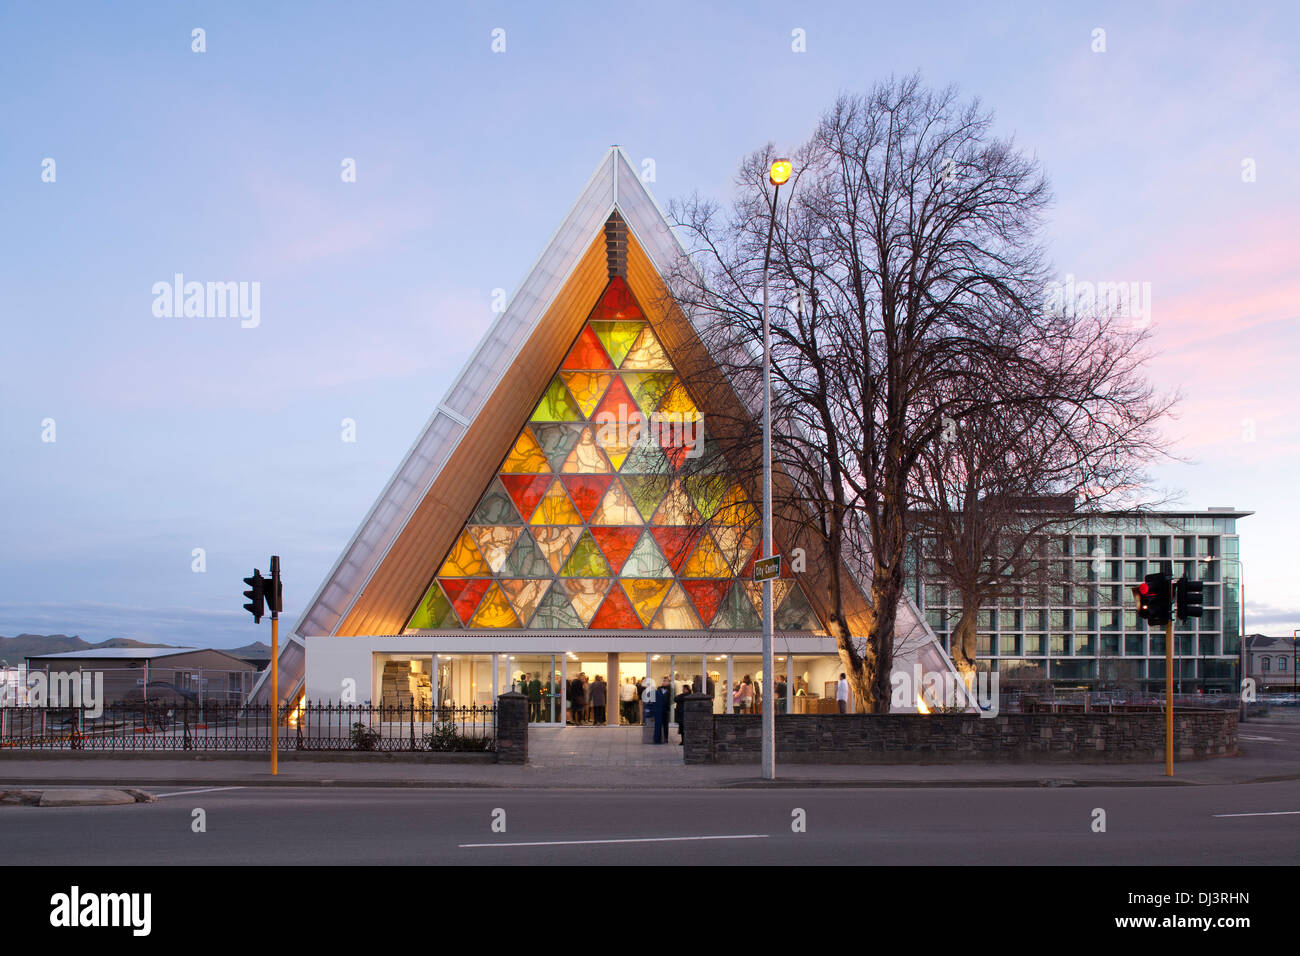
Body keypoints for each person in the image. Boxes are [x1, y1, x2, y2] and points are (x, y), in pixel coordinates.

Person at [653, 676, 671, 744]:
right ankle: (659, 738)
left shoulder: (670, 689)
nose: (664, 682)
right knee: (659, 724)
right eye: (663, 681)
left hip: (666, 709)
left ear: (668, 682)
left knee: (665, 724)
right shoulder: (659, 689)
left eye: (666, 681)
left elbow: (670, 700)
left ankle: (666, 738)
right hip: (659, 709)